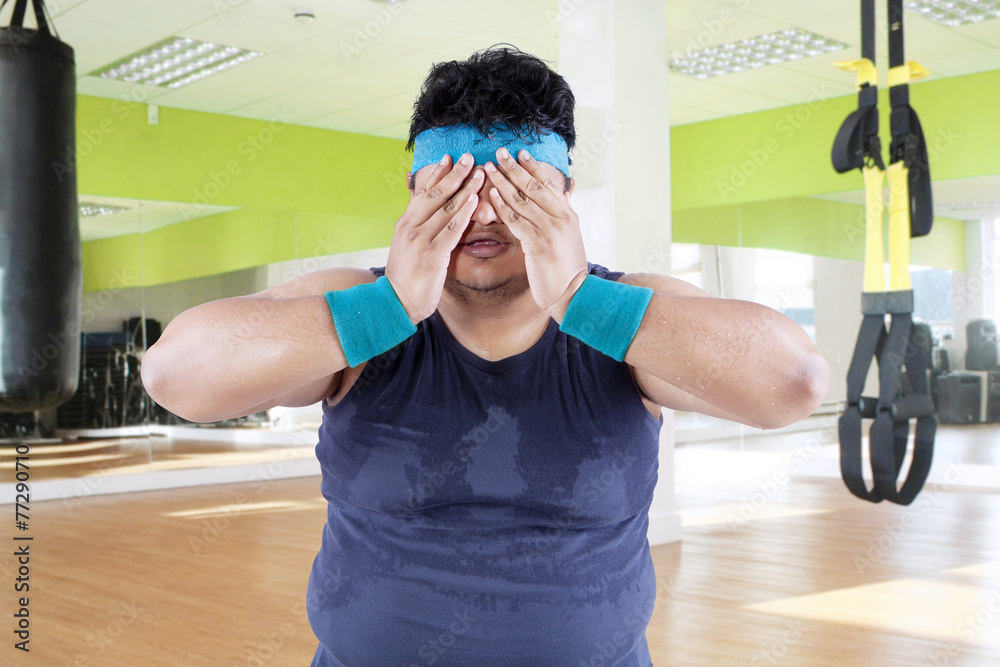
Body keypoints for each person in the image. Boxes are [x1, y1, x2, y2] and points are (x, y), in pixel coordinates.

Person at [141, 46, 829, 666]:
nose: (484, 216)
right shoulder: (356, 308)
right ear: (415, 193)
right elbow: (174, 374)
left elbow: (793, 381)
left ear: (561, 196)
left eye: (513, 189)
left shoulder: (625, 317)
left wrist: (579, 298)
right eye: (456, 188)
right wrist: (389, 308)